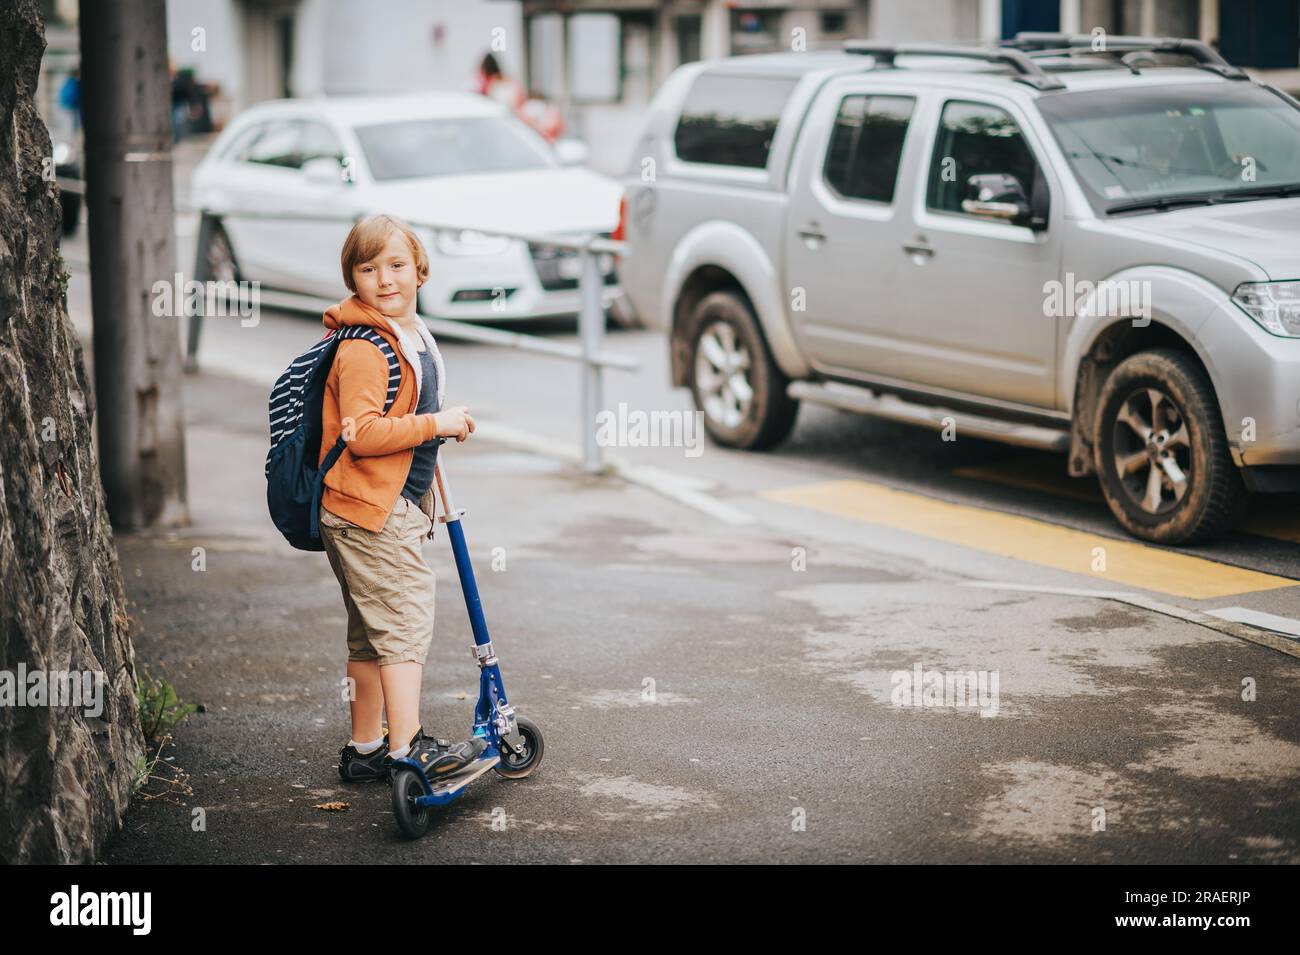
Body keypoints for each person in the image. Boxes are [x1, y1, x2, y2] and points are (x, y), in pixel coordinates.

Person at [316, 213, 484, 782]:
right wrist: (436, 424)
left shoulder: (408, 333)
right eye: (368, 269)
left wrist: (428, 454)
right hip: (369, 512)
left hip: (375, 507)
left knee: (370, 632)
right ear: (352, 278)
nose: (385, 280)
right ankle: (408, 748)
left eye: (396, 265)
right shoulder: (365, 346)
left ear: (419, 269)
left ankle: (365, 749)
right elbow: (360, 433)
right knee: (404, 623)